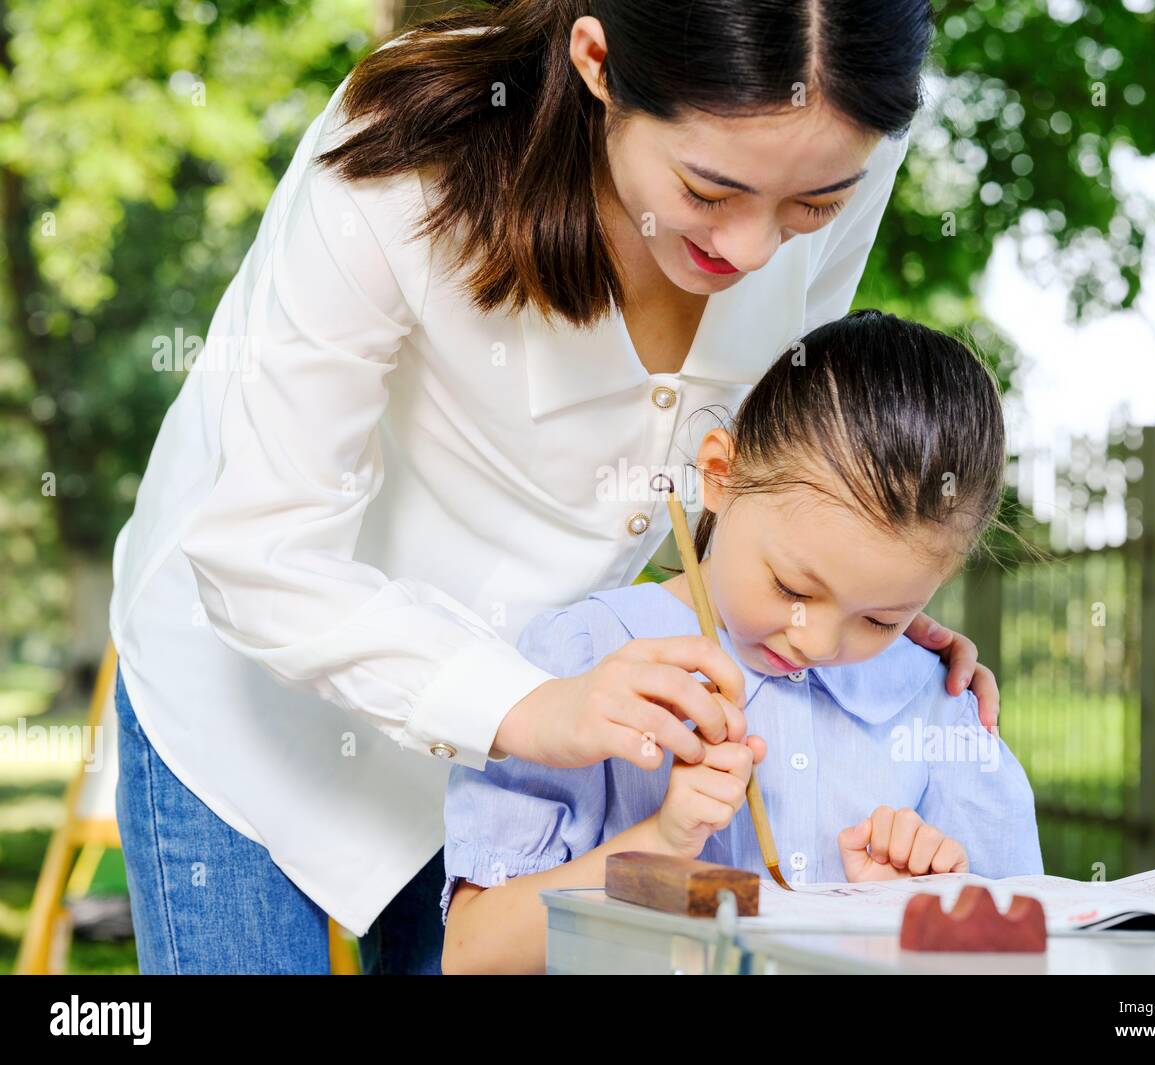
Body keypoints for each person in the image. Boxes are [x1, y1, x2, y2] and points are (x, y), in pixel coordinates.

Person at [109, 1, 999, 974]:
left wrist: (845, 605)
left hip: (542, 751)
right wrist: (534, 709)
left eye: (812, 210)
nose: (751, 253)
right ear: (599, 62)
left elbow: (772, 463)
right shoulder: (402, 154)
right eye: (709, 190)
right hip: (261, 708)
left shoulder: (833, 134)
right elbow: (255, 552)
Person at [441, 310, 1042, 974]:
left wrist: (913, 915)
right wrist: (662, 842)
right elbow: (474, 953)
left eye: (881, 618)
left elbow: (1021, 955)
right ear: (720, 476)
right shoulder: (586, 654)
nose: (815, 641)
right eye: (792, 586)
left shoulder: (940, 704)